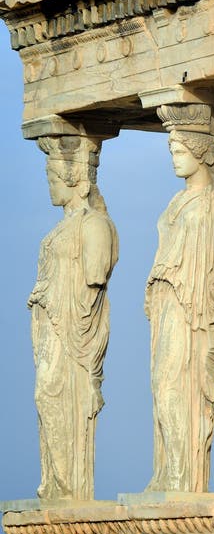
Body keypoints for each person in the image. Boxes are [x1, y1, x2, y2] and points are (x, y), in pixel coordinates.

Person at [146, 130, 214, 492]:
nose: (174, 157)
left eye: (180, 150)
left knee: (175, 385)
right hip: (167, 303)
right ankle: (168, 471)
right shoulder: (175, 201)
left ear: (201, 152)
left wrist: (207, 282)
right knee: (161, 385)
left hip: (194, 308)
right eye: (172, 150)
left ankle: (184, 478)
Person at [29, 135, 118, 500]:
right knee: (45, 399)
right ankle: (56, 484)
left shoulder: (94, 224)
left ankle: (72, 487)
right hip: (51, 328)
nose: (49, 187)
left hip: (74, 332)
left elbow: (95, 276)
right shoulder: (62, 227)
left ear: (73, 180)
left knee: (58, 397)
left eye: (54, 180)